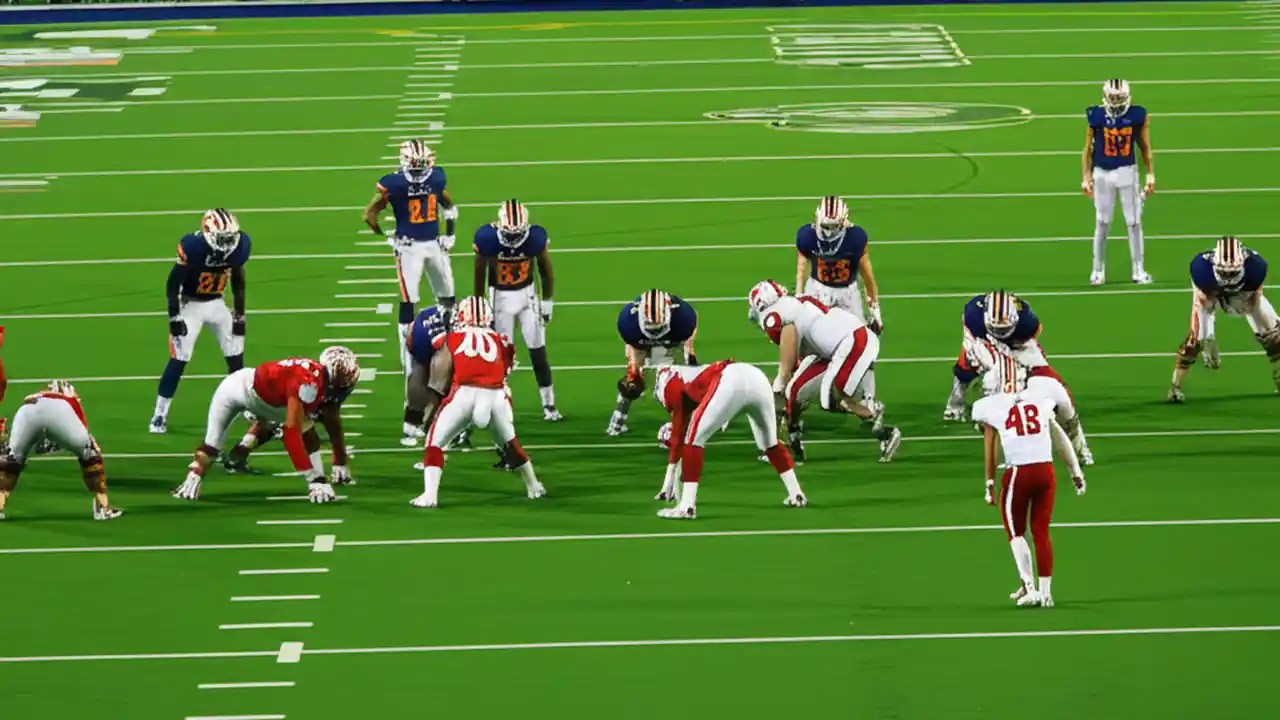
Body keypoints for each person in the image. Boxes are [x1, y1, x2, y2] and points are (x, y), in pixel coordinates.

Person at [150, 208, 250, 434]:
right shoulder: (193, 247)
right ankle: (159, 413)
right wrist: (174, 316)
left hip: (217, 303)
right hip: (190, 305)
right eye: (222, 237)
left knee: (236, 353)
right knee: (180, 358)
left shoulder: (239, 246)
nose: (227, 243)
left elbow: (239, 281)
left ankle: (244, 405)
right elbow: (172, 284)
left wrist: (240, 314)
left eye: (230, 237)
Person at [0, 381, 121, 521]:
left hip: (27, 411)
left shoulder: (35, 397)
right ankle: (103, 508)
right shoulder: (69, 400)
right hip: (61, 411)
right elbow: (83, 432)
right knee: (90, 455)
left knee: (10, 463)